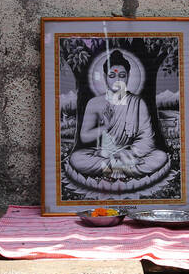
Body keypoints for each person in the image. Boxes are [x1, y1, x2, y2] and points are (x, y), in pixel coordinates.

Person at [67, 49, 169, 185]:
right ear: (104, 77)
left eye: (122, 75)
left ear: (128, 76)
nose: (118, 80)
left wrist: (126, 153)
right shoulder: (95, 103)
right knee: (76, 158)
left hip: (130, 154)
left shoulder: (138, 103)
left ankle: (112, 168)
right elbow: (84, 137)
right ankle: (122, 169)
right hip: (105, 153)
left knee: (159, 157)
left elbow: (147, 140)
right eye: (112, 76)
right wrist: (106, 126)